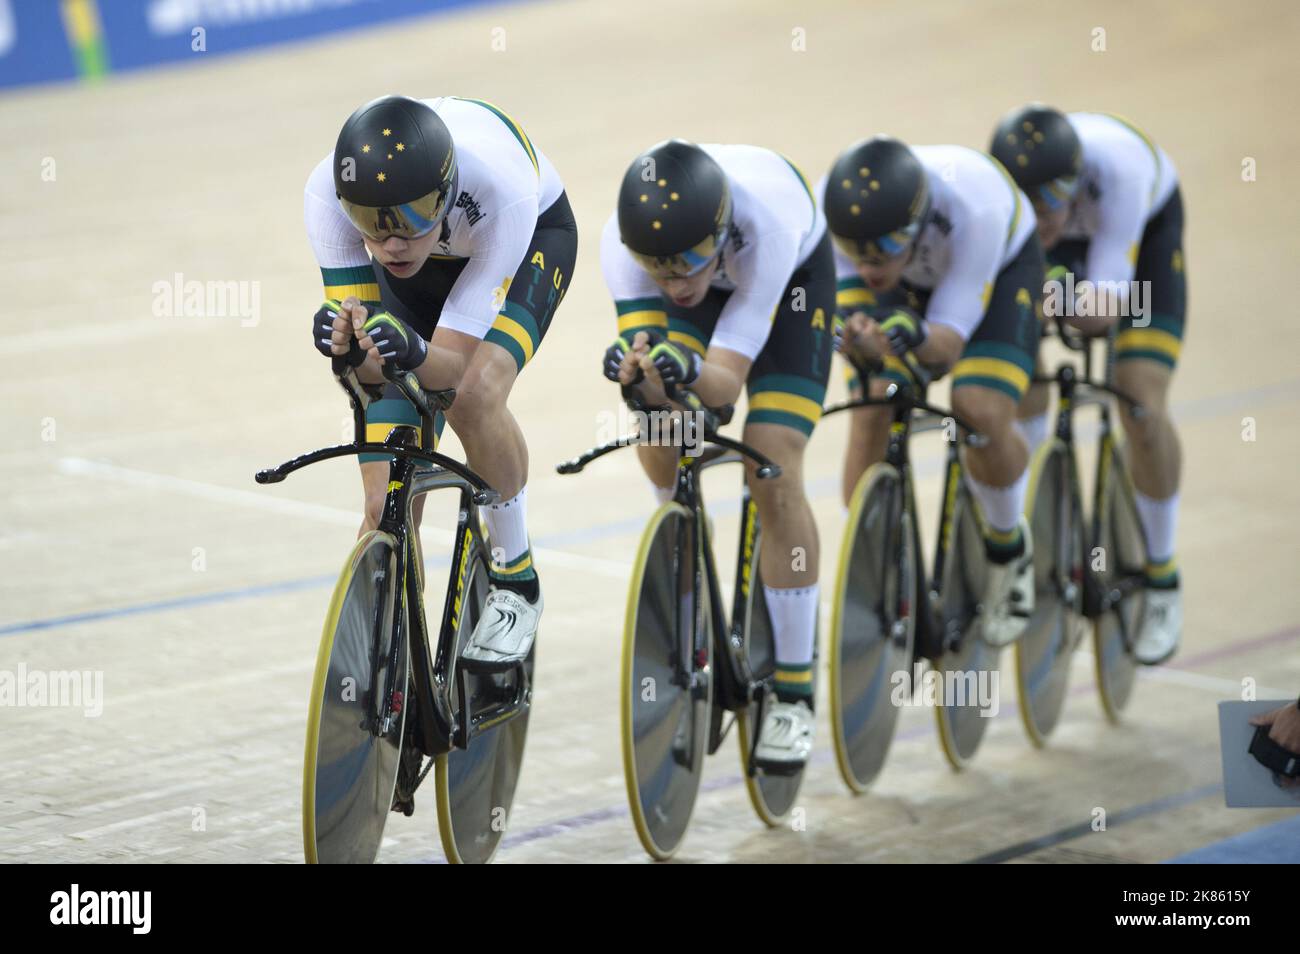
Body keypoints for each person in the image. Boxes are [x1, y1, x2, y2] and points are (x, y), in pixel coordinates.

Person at [304, 94, 577, 669]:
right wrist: (345, 347)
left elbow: (449, 371)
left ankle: (515, 578)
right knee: (384, 506)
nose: (391, 244)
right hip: (416, 286)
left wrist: (411, 350)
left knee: (472, 398)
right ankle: (385, 674)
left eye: (410, 218)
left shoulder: (501, 193)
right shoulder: (327, 196)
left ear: (448, 192)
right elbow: (369, 377)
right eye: (373, 228)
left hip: (525, 246)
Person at [601, 139, 834, 769]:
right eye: (659, 266)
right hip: (712, 295)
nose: (675, 280)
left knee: (771, 456)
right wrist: (642, 375)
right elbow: (654, 378)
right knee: (659, 425)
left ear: (723, 232)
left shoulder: (767, 231)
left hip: (789, 294)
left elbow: (725, 386)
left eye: (688, 262)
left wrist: (690, 367)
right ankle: (677, 534)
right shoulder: (625, 252)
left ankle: (795, 686)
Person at [821, 135, 1043, 647]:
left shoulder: (974, 211)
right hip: (907, 282)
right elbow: (836, 318)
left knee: (977, 408)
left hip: (999, 273)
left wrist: (913, 335)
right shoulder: (831, 218)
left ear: (918, 226)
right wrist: (855, 341)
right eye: (859, 253)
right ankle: (870, 563)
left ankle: (1009, 547)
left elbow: (944, 349)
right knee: (874, 398)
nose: (871, 266)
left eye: (884, 251)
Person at [990, 104, 1187, 664]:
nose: (1038, 215)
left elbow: (1101, 311)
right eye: (1026, 204)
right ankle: (1030, 512)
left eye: (1048, 202)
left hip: (1140, 245)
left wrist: (1055, 291)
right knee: (1015, 367)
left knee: (1141, 403)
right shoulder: (1010, 207)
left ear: (1074, 184)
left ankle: (1163, 576)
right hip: (1056, 261)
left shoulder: (1120, 173)